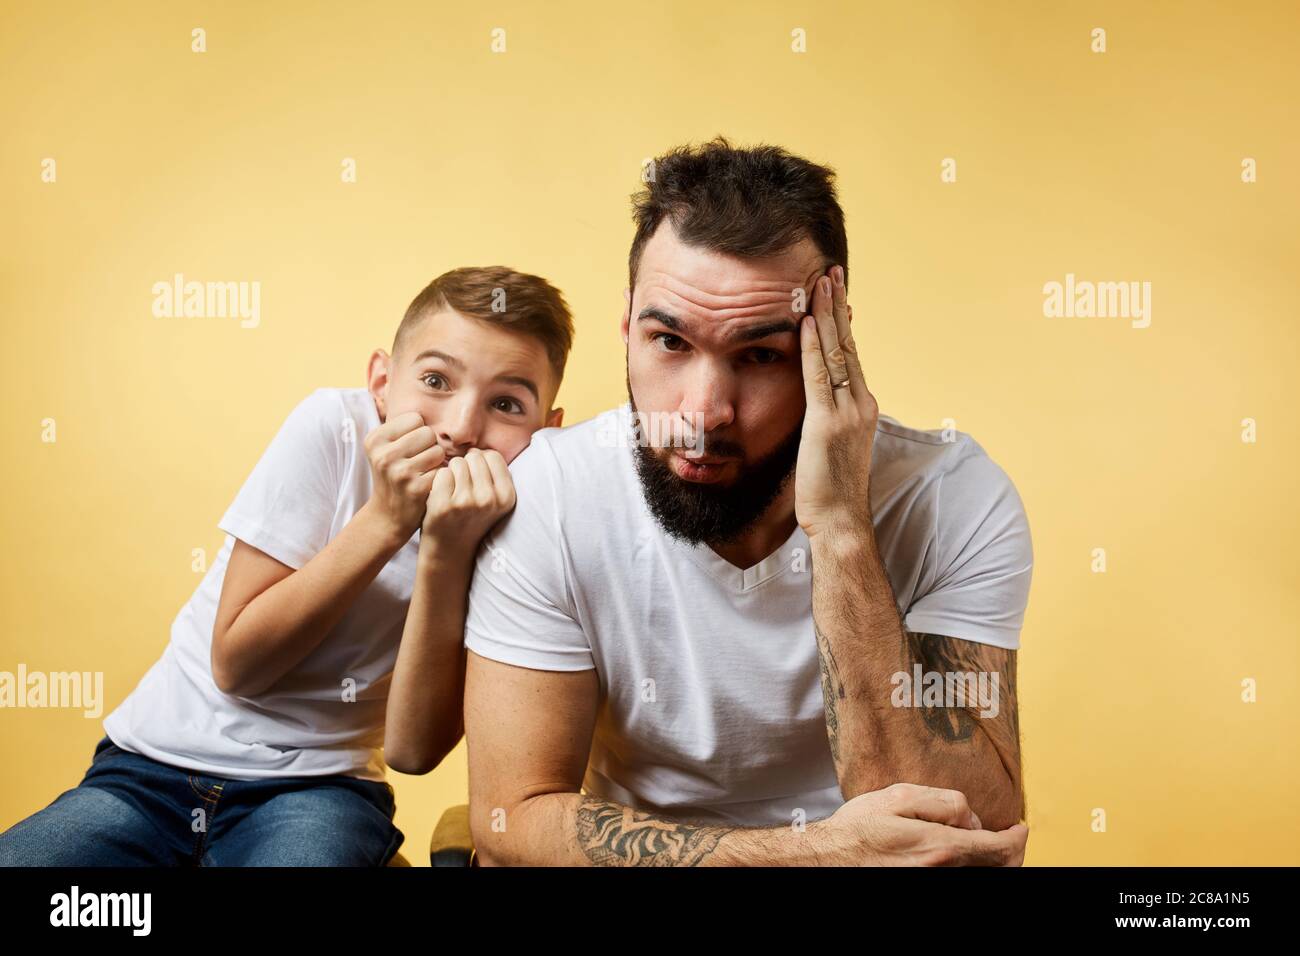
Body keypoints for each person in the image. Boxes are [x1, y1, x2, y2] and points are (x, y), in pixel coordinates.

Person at [463, 139, 1033, 866]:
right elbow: (511, 819)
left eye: (760, 355)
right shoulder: (552, 492)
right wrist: (815, 856)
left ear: (831, 346)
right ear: (627, 327)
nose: (702, 414)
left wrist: (840, 530)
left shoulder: (951, 497)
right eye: (670, 341)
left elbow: (975, 833)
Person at [0, 266, 572, 866]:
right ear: (381, 382)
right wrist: (386, 519)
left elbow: (412, 752)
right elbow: (236, 666)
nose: (460, 429)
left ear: (547, 430)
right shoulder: (333, 428)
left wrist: (446, 554)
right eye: (435, 380)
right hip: (150, 768)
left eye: (506, 404)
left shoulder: (520, 516)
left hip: (322, 788)